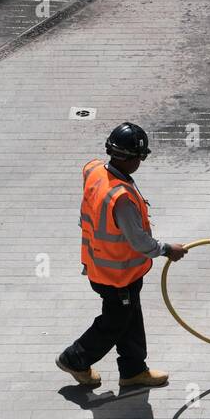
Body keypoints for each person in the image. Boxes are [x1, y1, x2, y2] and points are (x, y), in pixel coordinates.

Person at [57, 122, 187, 391]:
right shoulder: (122, 197)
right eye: (140, 157)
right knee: (115, 322)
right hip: (115, 275)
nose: (141, 162)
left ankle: (133, 370)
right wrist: (167, 250)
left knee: (130, 317)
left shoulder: (94, 170)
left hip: (106, 267)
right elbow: (139, 241)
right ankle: (75, 358)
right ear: (131, 158)